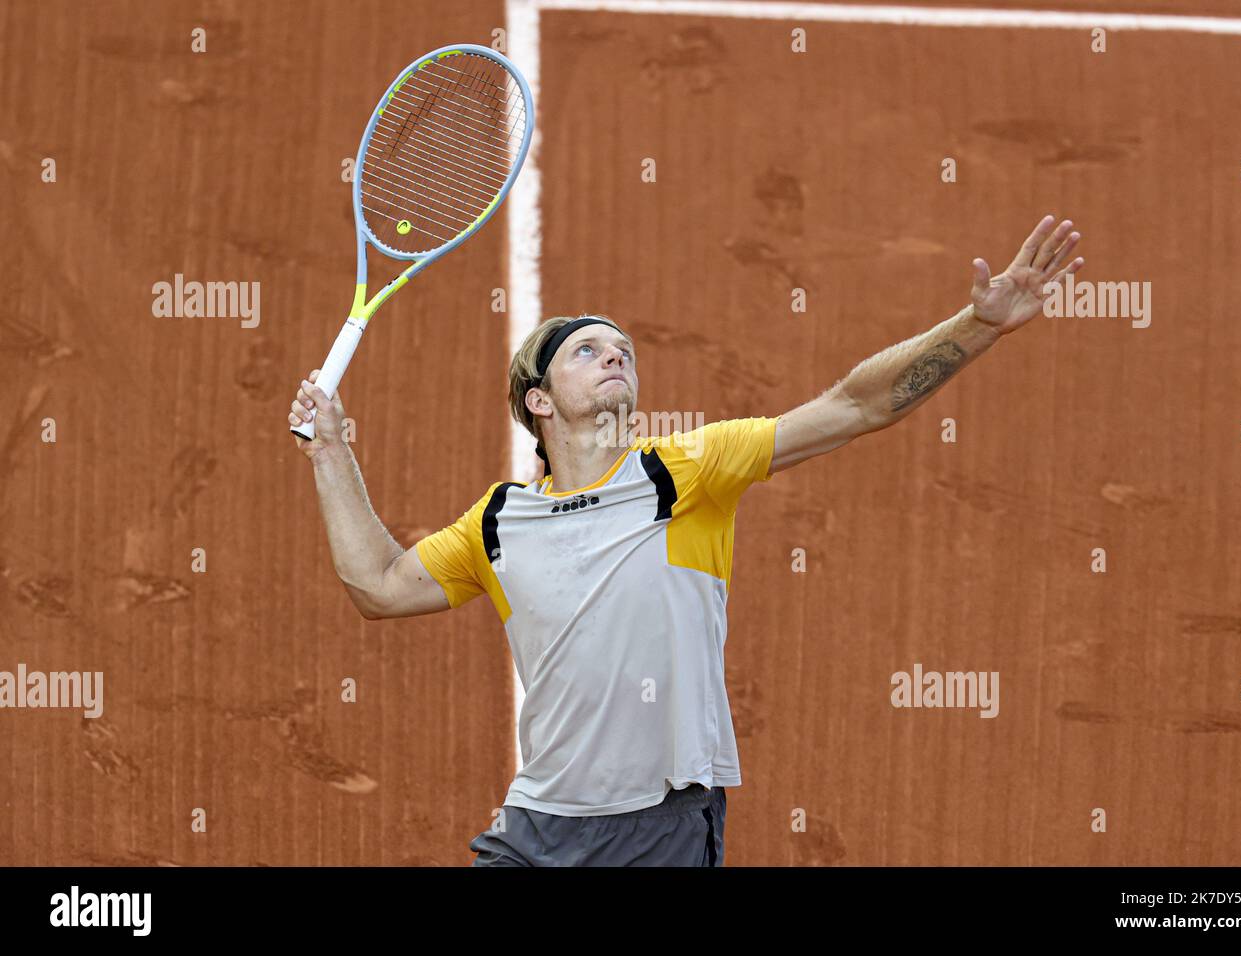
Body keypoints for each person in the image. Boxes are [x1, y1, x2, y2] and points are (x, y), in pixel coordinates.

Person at [288, 215, 1084, 866]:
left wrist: (978, 326)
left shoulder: (687, 472)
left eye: (624, 351)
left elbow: (856, 406)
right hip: (534, 825)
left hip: (657, 830)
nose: (616, 357)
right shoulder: (498, 521)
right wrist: (331, 449)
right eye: (588, 351)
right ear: (538, 400)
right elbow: (380, 587)